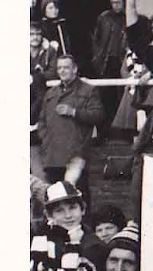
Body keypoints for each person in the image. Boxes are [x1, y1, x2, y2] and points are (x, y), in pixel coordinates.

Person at [35, 55, 104, 192]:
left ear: (75, 69)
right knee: (55, 194)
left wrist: (74, 112)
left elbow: (98, 115)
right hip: (53, 155)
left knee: (77, 195)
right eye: (59, 68)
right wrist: (45, 139)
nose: (62, 71)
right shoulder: (51, 93)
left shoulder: (88, 90)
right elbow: (42, 120)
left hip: (75, 154)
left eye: (66, 67)